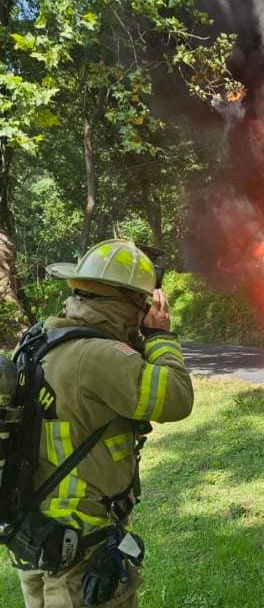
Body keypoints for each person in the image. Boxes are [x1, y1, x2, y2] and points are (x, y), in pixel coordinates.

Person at [14, 239, 194, 607]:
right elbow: (176, 397)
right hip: (81, 554)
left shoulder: (42, 338)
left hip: (37, 537)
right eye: (142, 300)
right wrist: (160, 336)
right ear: (127, 302)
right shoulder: (98, 357)